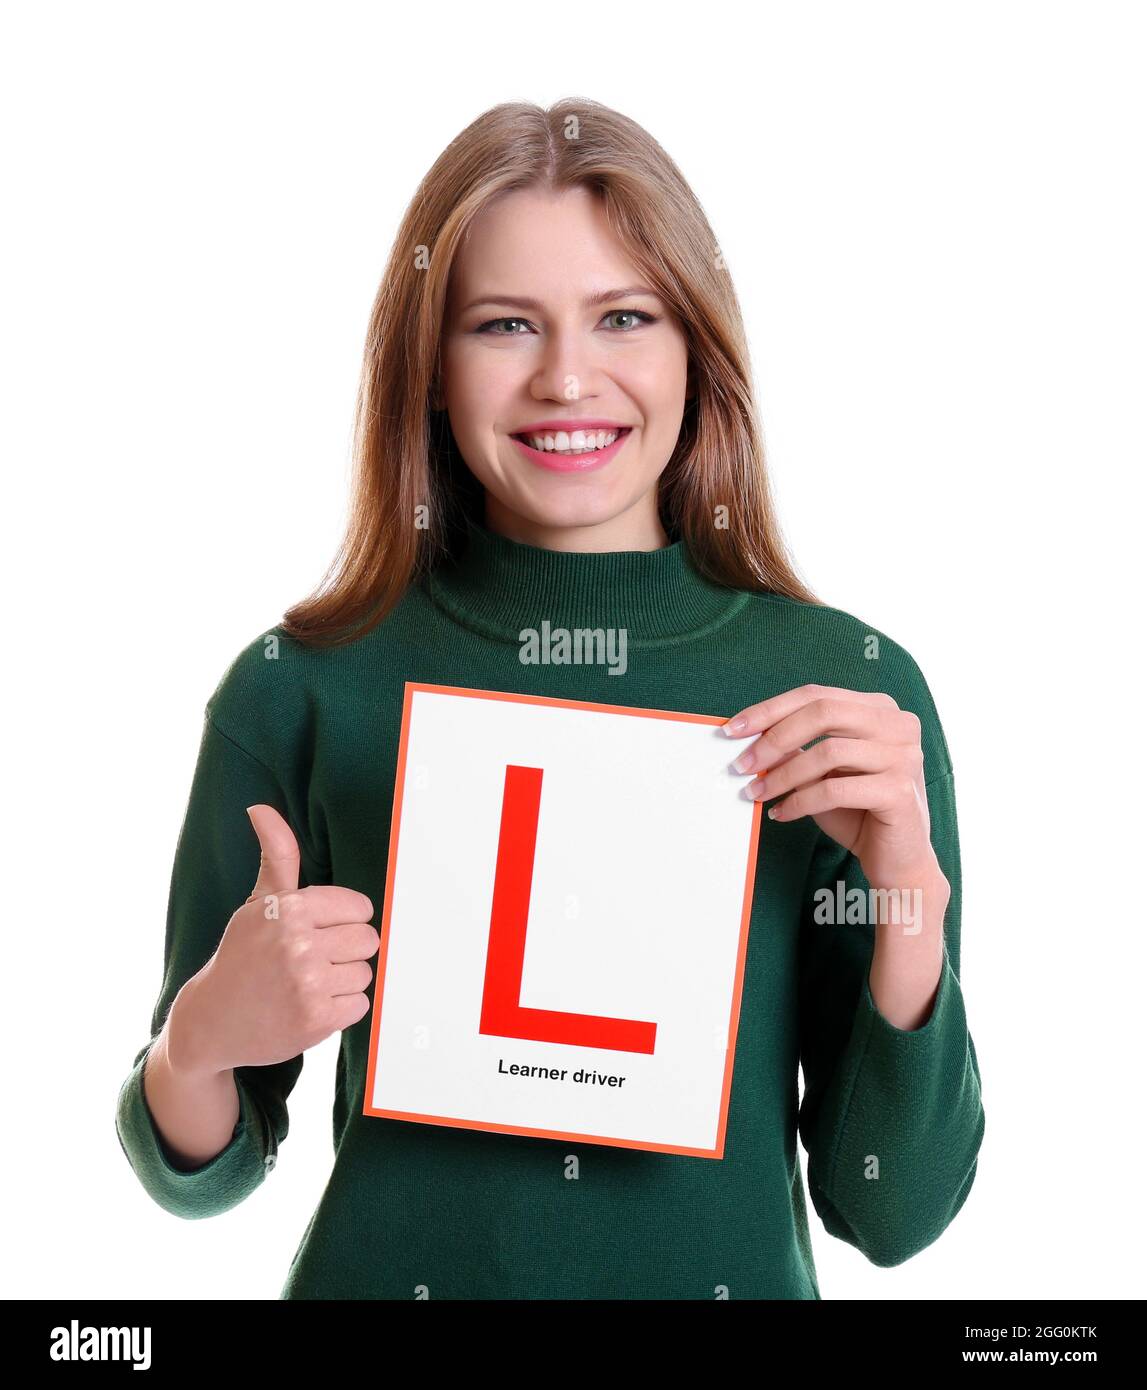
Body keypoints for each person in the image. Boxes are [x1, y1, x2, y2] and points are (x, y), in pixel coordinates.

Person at [115, 97, 985, 1300]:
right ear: (430, 366)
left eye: (624, 317)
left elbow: (890, 1211)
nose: (567, 376)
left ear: (697, 350)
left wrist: (910, 905)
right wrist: (202, 1040)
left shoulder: (851, 701)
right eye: (505, 324)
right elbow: (196, 1167)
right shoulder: (303, 685)